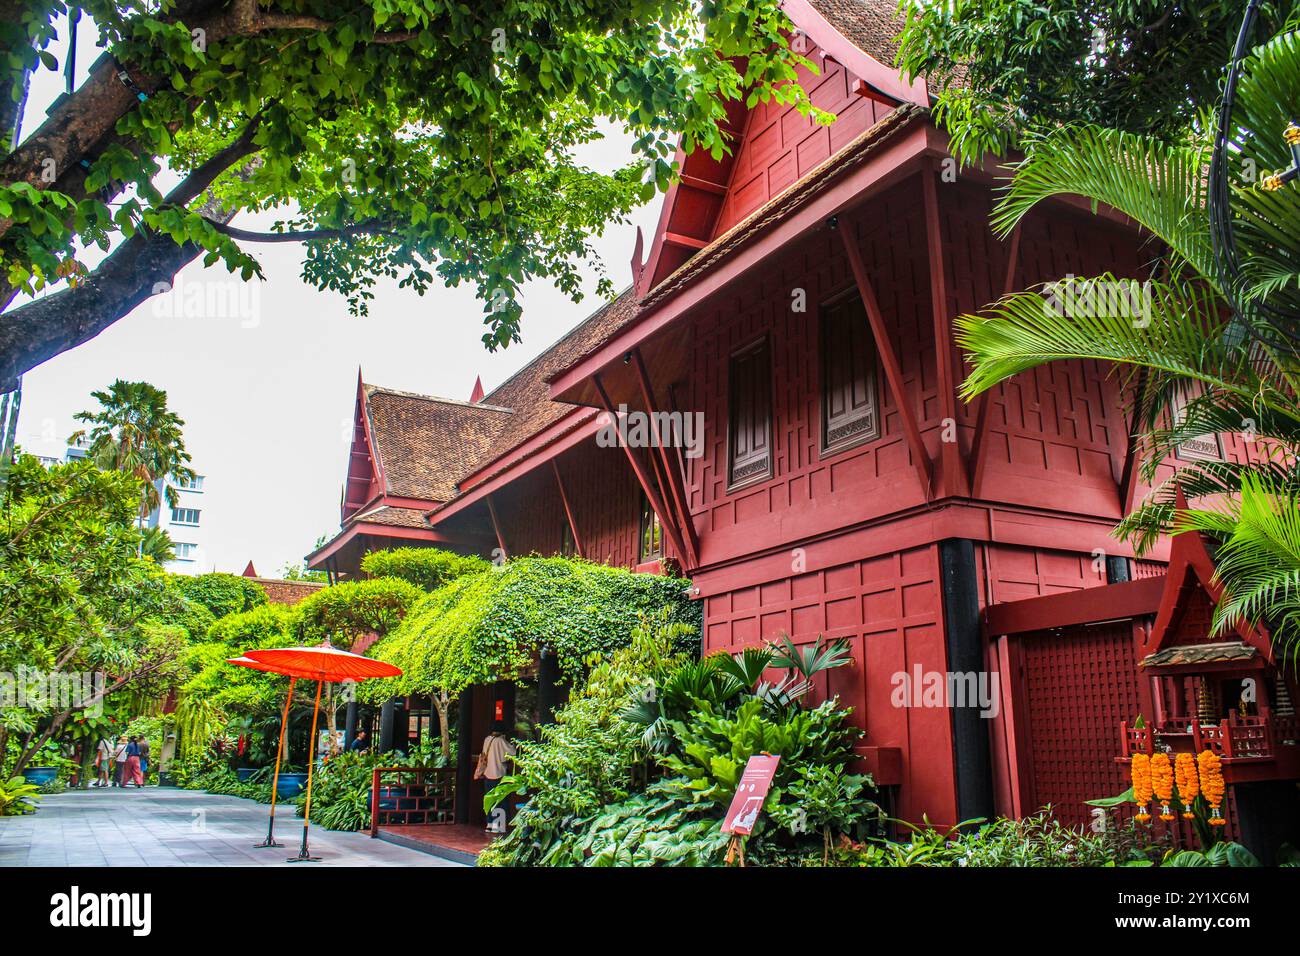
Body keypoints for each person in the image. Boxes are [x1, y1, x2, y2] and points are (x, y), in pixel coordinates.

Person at [473, 722, 516, 834]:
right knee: (500, 801)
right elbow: (512, 752)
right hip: (499, 774)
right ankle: (498, 826)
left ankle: (489, 824)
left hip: (487, 774)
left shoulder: (487, 739)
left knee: (490, 800)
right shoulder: (500, 741)